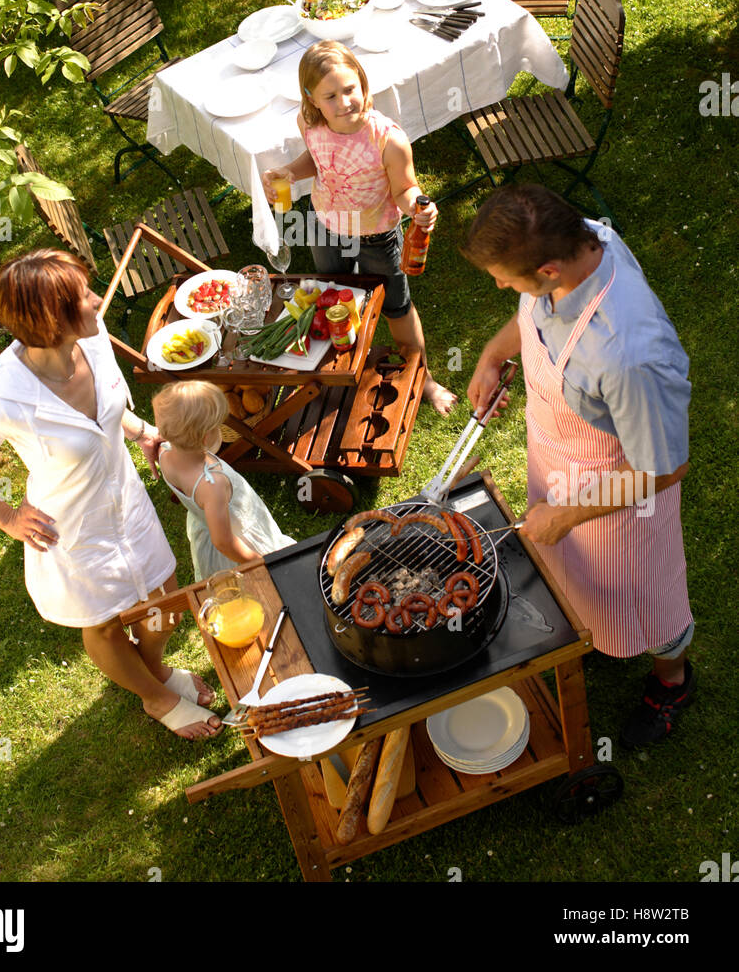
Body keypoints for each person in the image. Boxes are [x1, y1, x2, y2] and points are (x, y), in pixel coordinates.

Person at [0, 249, 221, 741]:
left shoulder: (94, 342)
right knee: (106, 625)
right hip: (72, 533)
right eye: (84, 297)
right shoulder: (7, 398)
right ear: (53, 319)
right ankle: (157, 699)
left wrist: (143, 433)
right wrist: (5, 516)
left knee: (167, 602)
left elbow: (116, 408)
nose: (96, 301)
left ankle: (153, 671)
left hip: (127, 507)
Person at [461, 185, 694, 747]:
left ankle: (673, 681)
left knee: (645, 599)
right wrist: (495, 353)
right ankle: (587, 631)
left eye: (507, 278)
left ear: (548, 268)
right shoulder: (582, 240)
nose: (500, 286)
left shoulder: (630, 357)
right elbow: (534, 314)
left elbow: (666, 467)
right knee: (573, 581)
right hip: (559, 462)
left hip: (618, 498)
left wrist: (567, 515)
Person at [261, 40, 456, 414]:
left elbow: (403, 188)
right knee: (333, 295)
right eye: (330, 95)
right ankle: (340, 370)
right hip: (325, 227)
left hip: (376, 237)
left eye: (350, 89)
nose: (344, 102)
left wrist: (417, 206)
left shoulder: (388, 139)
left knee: (396, 307)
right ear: (311, 98)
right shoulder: (310, 123)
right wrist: (291, 171)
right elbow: (317, 160)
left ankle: (424, 378)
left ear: (362, 83)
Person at [153, 381, 296, 579]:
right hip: (238, 541)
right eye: (217, 425)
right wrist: (257, 561)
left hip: (204, 524)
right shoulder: (212, 484)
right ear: (205, 437)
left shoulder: (164, 453)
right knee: (262, 583)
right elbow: (223, 541)